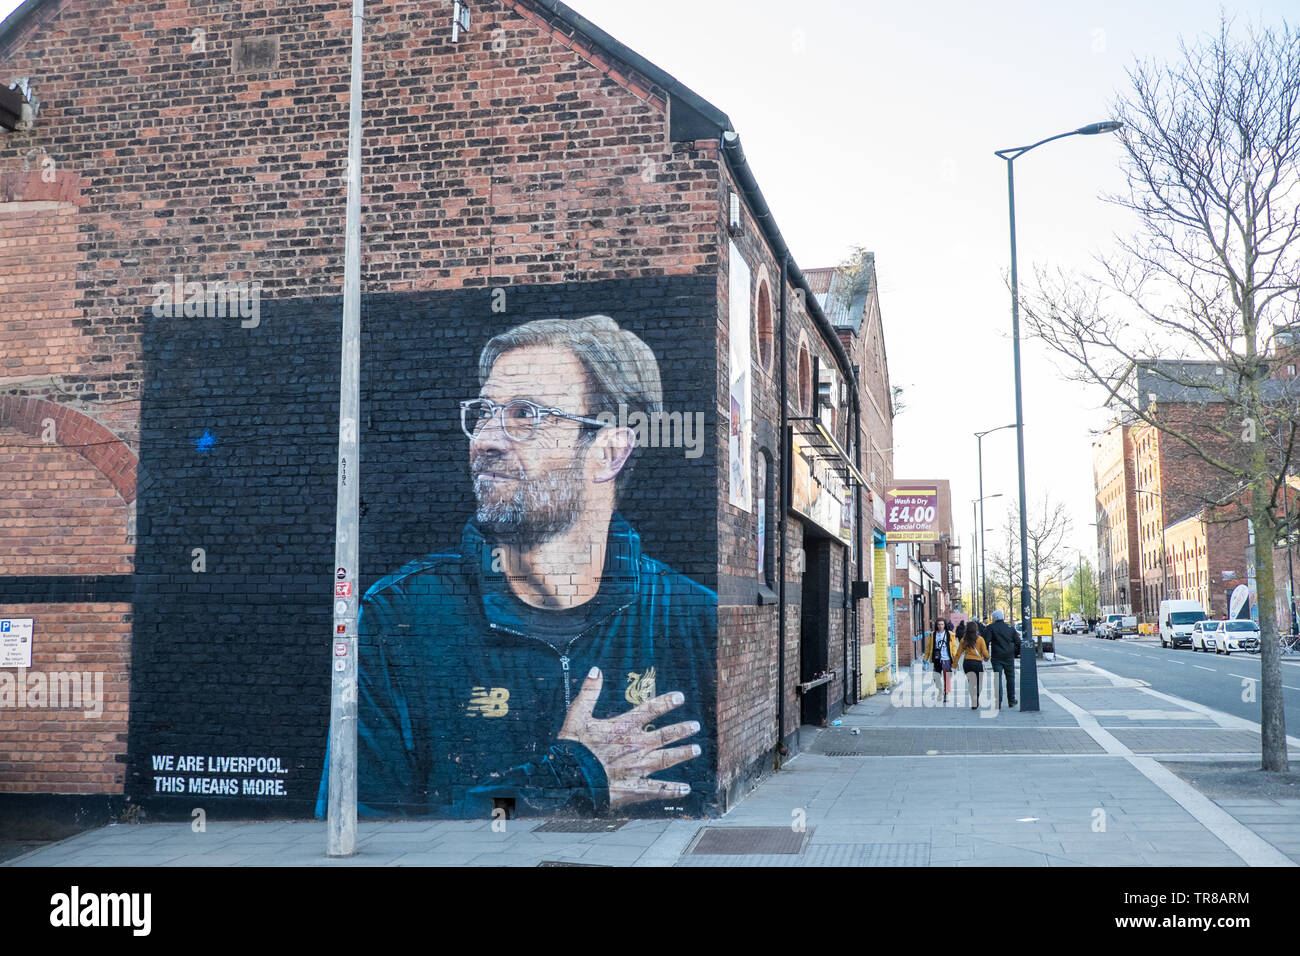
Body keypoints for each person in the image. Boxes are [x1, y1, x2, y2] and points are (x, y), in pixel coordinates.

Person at [316, 315, 716, 818]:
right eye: (484, 413)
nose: (486, 439)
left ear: (609, 453)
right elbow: (363, 824)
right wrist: (564, 783)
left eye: (526, 414)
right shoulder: (399, 619)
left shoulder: (694, 621)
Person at [986, 609, 1019, 709]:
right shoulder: (1010, 628)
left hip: (997, 657)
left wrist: (986, 654)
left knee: (998, 679)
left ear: (994, 618)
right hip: (1009, 656)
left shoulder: (990, 627)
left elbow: (986, 641)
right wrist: (1014, 652)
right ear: (1003, 617)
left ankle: (998, 702)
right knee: (1010, 678)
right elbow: (1018, 642)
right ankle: (1011, 700)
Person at [954, 622, 990, 710]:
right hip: (977, 663)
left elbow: (958, 653)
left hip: (967, 663)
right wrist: (987, 658)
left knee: (971, 683)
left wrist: (954, 665)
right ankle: (976, 697)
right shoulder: (980, 639)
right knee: (979, 683)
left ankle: (973, 701)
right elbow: (985, 652)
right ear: (976, 629)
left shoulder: (963, 640)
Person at [923, 617, 956, 703]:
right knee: (936, 677)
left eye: (942, 624)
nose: (940, 626)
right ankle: (940, 689)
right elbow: (928, 648)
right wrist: (925, 660)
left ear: (945, 625)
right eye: (938, 624)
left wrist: (955, 660)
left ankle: (946, 694)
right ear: (936, 625)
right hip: (937, 658)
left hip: (947, 658)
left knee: (947, 677)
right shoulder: (933, 634)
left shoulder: (950, 634)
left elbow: (954, 648)